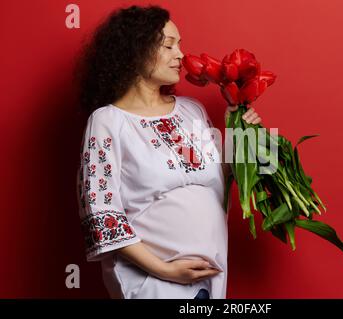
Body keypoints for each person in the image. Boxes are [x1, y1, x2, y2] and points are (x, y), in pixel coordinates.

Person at [75, 4, 262, 299]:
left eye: (180, 44)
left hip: (210, 277)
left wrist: (241, 136)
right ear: (135, 51)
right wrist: (165, 270)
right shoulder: (108, 121)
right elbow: (101, 213)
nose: (181, 55)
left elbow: (220, 182)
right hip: (151, 282)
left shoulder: (191, 111)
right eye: (168, 45)